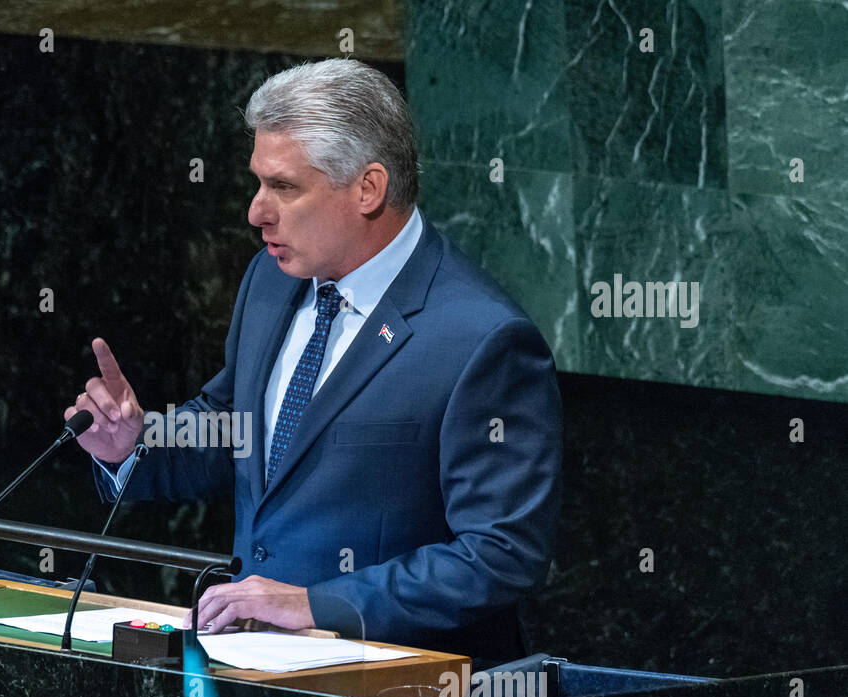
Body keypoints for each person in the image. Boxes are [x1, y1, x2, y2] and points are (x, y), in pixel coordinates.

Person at [64, 58, 562, 664]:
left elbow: (502, 553)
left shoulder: (482, 340)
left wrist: (318, 604)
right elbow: (237, 429)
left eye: (285, 187)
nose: (256, 211)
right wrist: (135, 444)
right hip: (253, 684)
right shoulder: (271, 281)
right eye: (258, 182)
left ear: (368, 189)